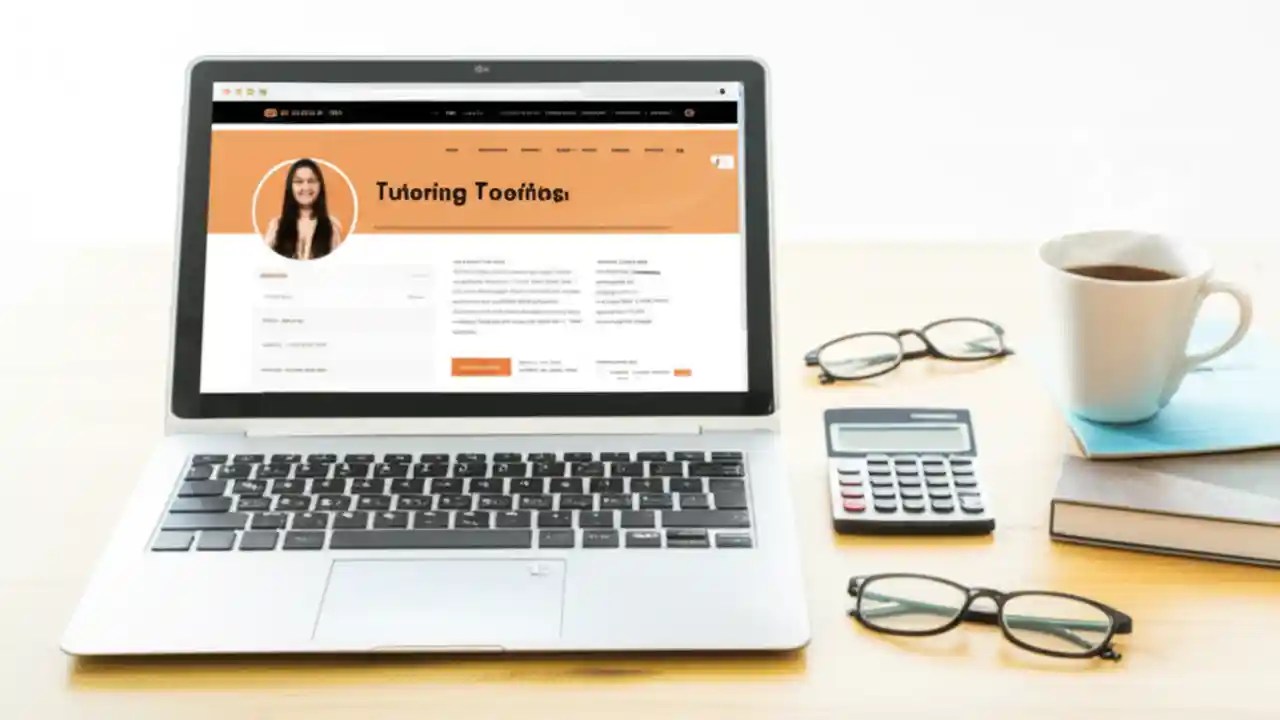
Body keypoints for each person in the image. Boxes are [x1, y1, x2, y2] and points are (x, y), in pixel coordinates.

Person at [264, 158, 345, 260]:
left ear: (320, 186)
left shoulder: (332, 226)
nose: (306, 187)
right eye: (299, 181)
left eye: (311, 181)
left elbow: (337, 267)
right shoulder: (276, 226)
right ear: (290, 187)